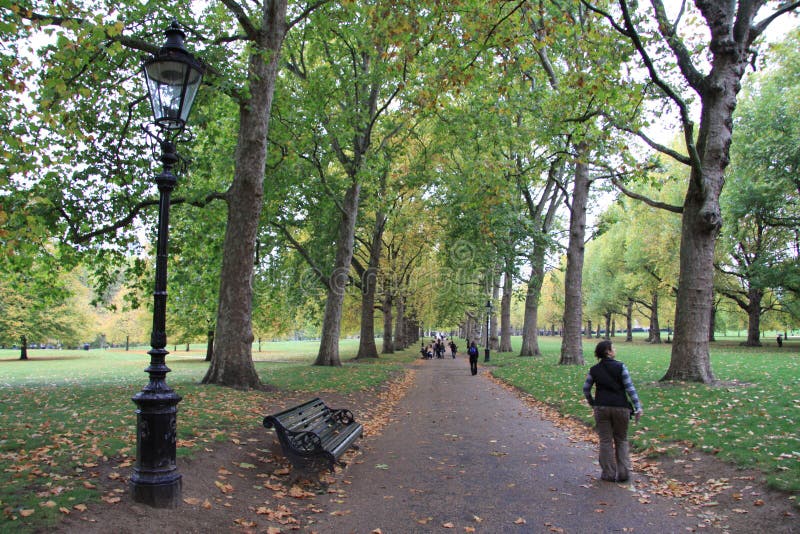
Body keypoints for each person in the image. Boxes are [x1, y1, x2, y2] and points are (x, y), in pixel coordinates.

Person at [583, 340, 642, 483]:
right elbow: (629, 388)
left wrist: (593, 403)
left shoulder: (594, 370)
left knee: (605, 440)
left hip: (601, 407)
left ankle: (608, 473)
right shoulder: (621, 367)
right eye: (612, 348)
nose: (614, 350)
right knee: (621, 439)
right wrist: (637, 407)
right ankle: (623, 473)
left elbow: (586, 389)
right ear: (608, 351)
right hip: (621, 407)